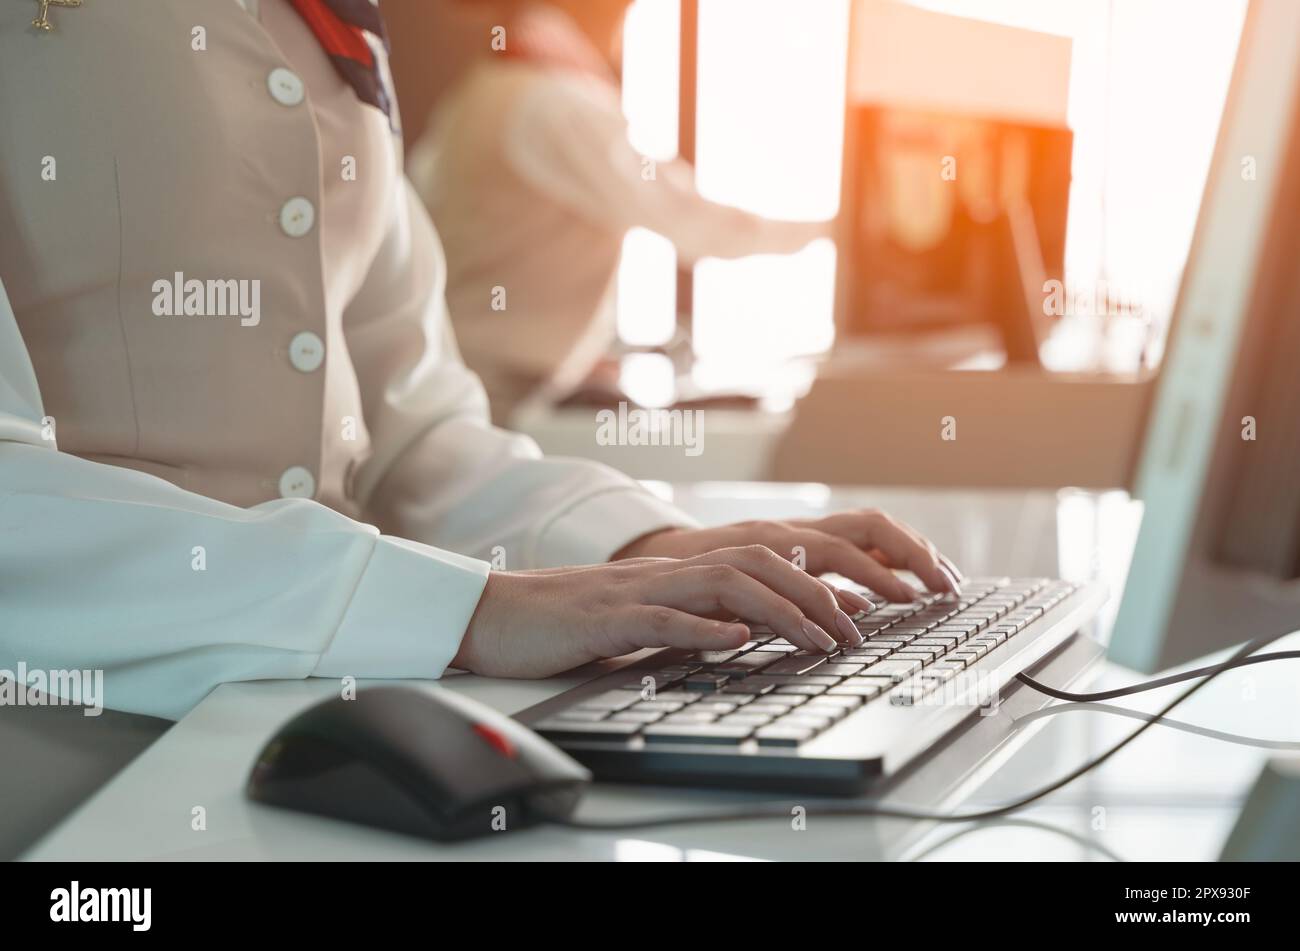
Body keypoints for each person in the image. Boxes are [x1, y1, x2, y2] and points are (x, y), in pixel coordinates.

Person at [0, 0, 960, 722]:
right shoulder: (543, 97)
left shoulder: (330, 29)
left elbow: (412, 432)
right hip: (76, 745)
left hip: (339, 707)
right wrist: (468, 607)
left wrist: (640, 550)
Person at [405, 0, 826, 424]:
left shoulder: (485, 88)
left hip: (455, 372)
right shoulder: (559, 102)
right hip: (493, 395)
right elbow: (689, 220)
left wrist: (580, 354)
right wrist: (823, 229)